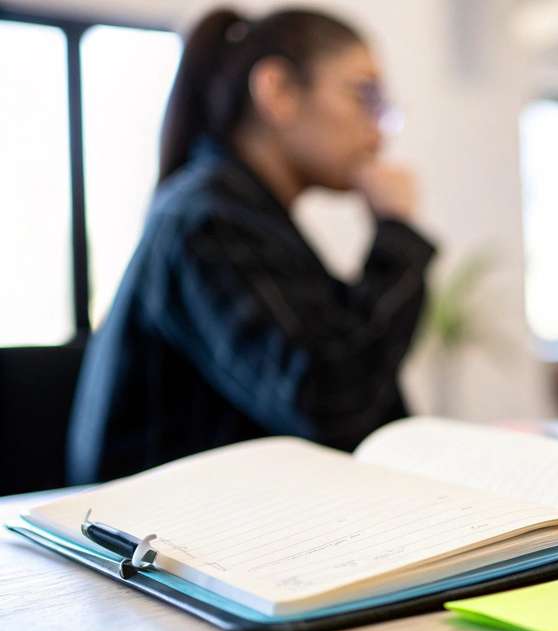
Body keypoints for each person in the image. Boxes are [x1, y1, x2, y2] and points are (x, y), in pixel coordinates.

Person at [68, 7, 435, 483]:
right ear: (277, 91)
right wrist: (397, 235)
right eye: (363, 94)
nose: (378, 128)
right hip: (170, 523)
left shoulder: (243, 214)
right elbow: (330, 404)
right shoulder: (208, 220)